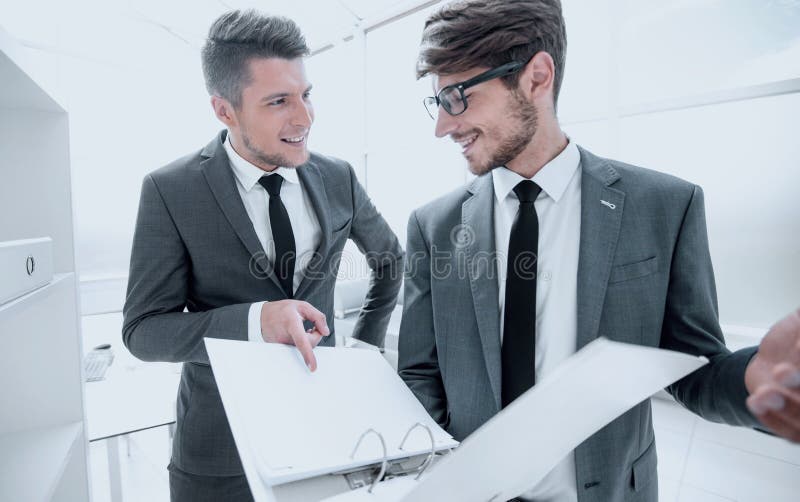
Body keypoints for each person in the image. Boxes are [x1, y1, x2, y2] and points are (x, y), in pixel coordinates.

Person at [397, 1, 800, 500]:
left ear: (536, 77)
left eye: (457, 97)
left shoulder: (665, 206)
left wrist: (756, 382)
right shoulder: (432, 225)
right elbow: (419, 371)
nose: (442, 126)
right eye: (436, 102)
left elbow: (695, 371)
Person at [122, 10, 403, 501]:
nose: (304, 117)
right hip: (219, 451)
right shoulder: (171, 189)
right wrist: (257, 322)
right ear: (224, 110)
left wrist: (364, 347)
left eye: (306, 95)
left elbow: (391, 261)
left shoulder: (338, 178)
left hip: (330, 436)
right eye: (278, 102)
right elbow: (143, 331)